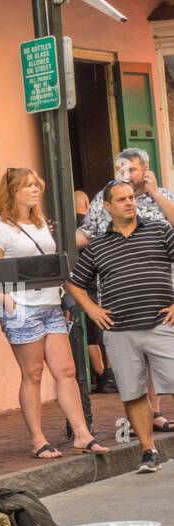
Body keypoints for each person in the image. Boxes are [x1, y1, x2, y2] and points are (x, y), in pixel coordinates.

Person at [0, 167, 107, 460]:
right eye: (28, 186)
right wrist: (8, 304)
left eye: (37, 185)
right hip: (22, 308)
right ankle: (38, 439)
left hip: (50, 304)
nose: (36, 190)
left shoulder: (39, 224)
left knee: (66, 371)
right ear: (13, 192)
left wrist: (62, 302)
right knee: (33, 374)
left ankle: (82, 434)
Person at [65, 179, 174, 475]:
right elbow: (73, 282)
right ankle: (148, 451)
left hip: (161, 323)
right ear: (108, 206)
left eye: (131, 198)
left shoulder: (159, 229)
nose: (129, 203)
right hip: (119, 329)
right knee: (133, 393)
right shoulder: (98, 244)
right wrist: (91, 308)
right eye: (122, 199)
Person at [78, 148, 174, 430]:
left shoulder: (163, 196)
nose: (126, 175)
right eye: (122, 169)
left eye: (132, 169)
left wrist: (154, 193)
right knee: (133, 363)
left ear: (145, 170)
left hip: (161, 290)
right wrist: (52, 243)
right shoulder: (103, 200)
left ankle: (155, 412)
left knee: (162, 358)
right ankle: (147, 418)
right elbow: (88, 233)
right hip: (119, 292)